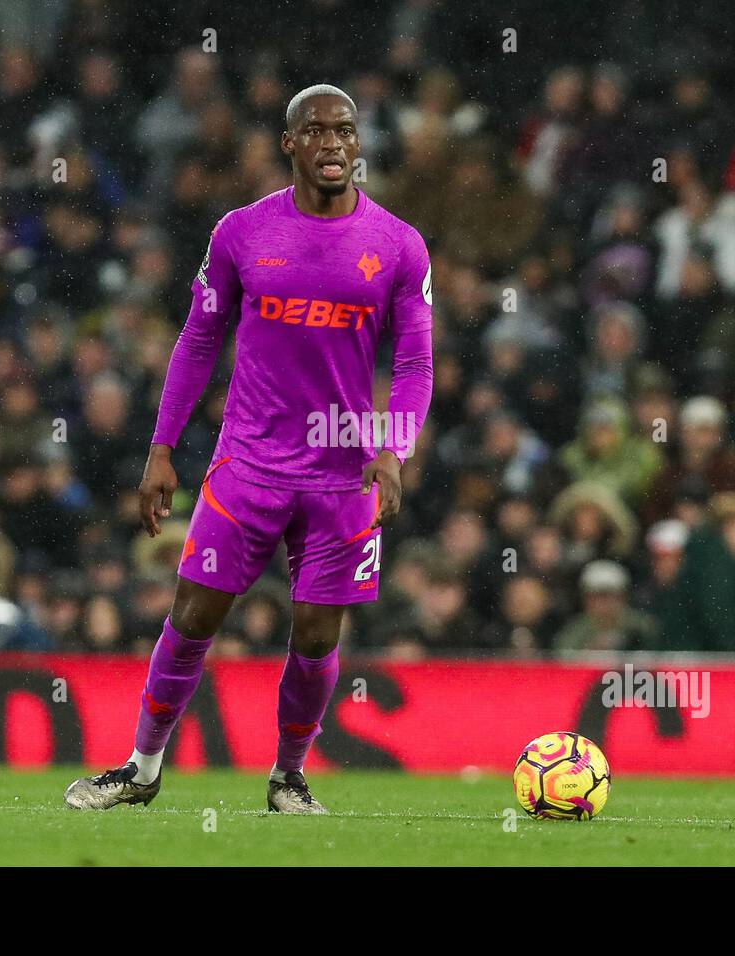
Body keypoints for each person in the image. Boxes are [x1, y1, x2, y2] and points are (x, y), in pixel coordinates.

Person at [64, 85, 434, 814]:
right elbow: (199, 338)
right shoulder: (240, 232)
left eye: (346, 131)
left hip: (343, 472)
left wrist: (395, 447)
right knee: (194, 616)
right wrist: (162, 448)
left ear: (359, 146)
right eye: (316, 131)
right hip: (249, 464)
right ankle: (141, 768)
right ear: (290, 143)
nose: (333, 143)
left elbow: (418, 360)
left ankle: (288, 777)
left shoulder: (398, 244)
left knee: (317, 634)